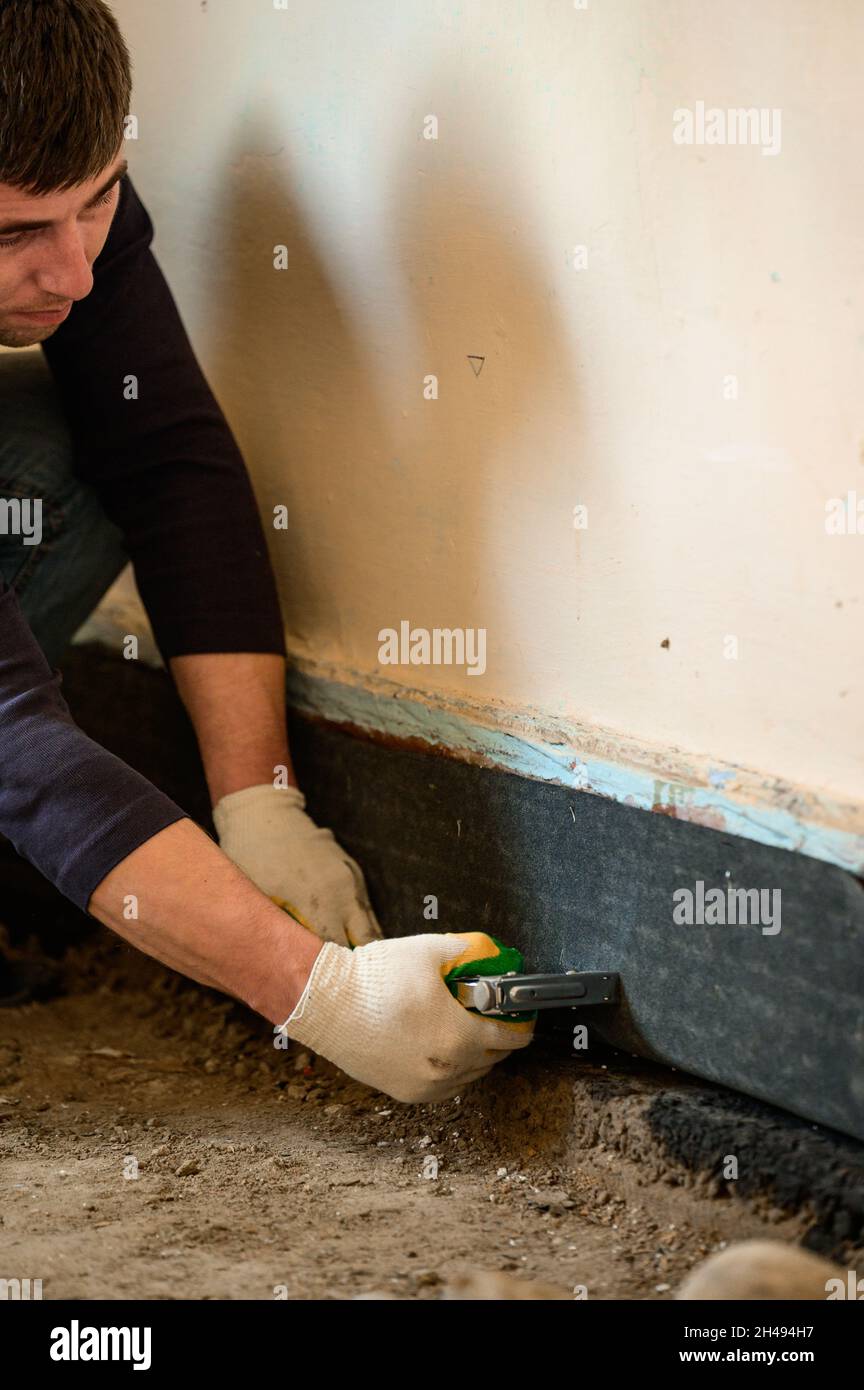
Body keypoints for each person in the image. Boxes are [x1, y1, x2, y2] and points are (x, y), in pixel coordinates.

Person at [0, 0, 533, 1101]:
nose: (76, 272)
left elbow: (167, 459)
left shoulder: (54, 184)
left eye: (96, 203)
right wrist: (319, 997)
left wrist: (261, 802)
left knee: (65, 454)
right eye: (14, 238)